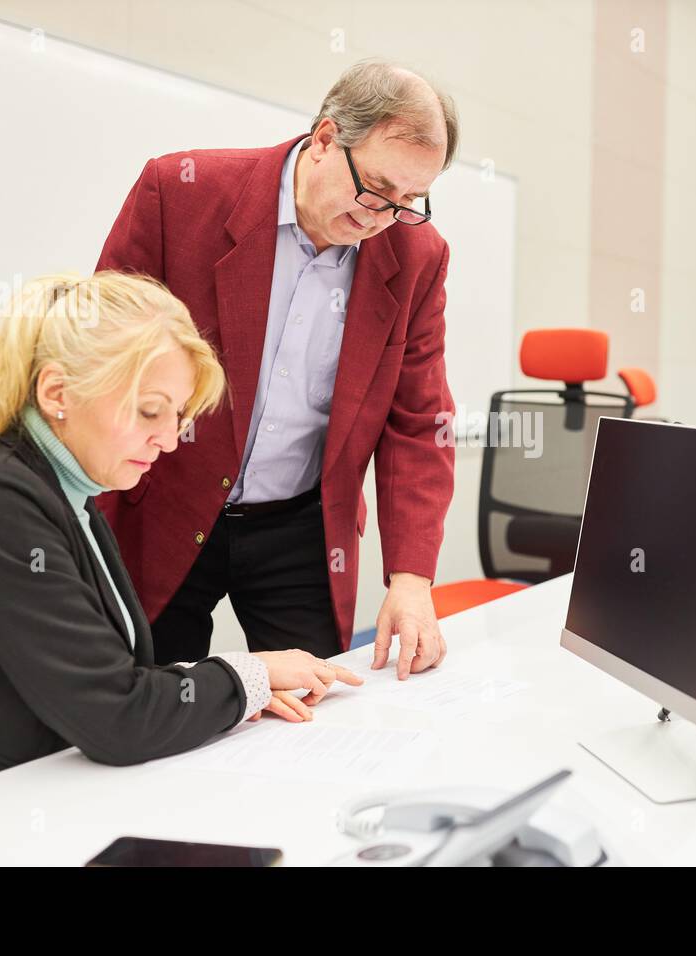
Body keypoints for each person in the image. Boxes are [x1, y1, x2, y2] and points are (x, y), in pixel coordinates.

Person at [0, 273, 361, 825]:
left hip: (26, 799)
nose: (167, 439)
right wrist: (245, 676)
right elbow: (118, 718)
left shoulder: (71, 492)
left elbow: (108, 678)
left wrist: (235, 692)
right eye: (149, 410)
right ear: (57, 394)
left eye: (177, 415)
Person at [96, 59, 458, 680]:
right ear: (324, 140)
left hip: (301, 525)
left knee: (317, 709)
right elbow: (99, 350)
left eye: (408, 201)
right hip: (162, 504)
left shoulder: (416, 254)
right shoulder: (180, 192)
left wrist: (412, 578)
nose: (381, 216)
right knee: (148, 701)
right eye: (375, 188)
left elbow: (418, 421)